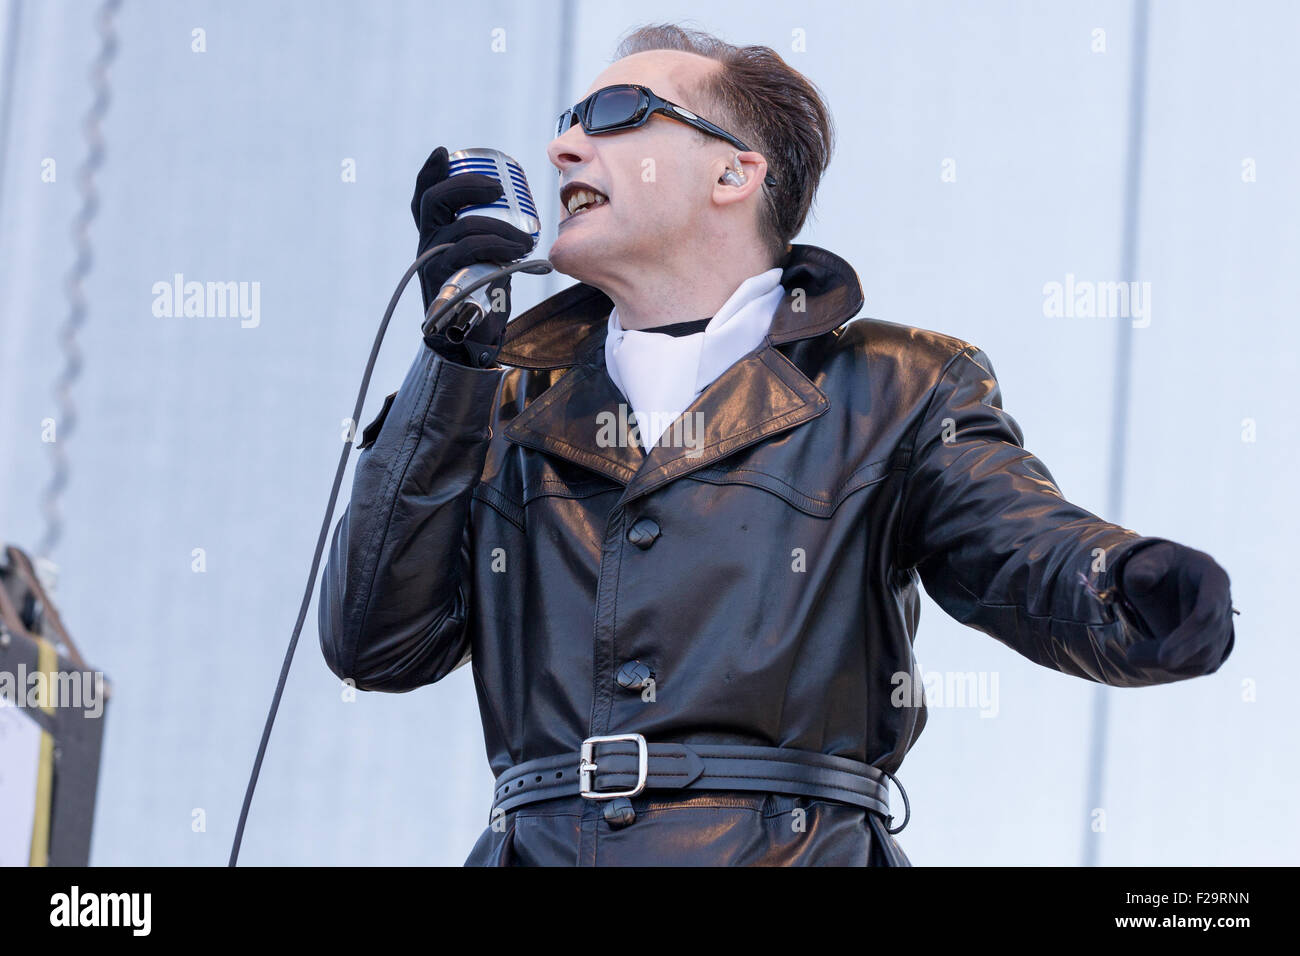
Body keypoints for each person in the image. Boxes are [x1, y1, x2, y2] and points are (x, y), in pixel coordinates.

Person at [318, 23, 1235, 866]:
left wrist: (1126, 580)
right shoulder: (499, 391)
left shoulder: (900, 383)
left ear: (734, 175)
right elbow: (376, 645)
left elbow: (1018, 543)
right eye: (565, 122)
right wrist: (456, 347)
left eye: (613, 116)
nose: (561, 146)